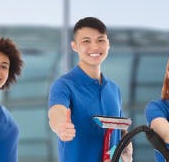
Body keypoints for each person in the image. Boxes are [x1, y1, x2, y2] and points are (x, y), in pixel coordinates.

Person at [47, 17, 132, 162]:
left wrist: (126, 143)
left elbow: (119, 128)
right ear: (75, 46)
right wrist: (60, 126)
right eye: (86, 41)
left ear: (108, 44)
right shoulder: (64, 85)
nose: (95, 47)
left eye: (100, 40)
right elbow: (56, 112)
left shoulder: (114, 89)